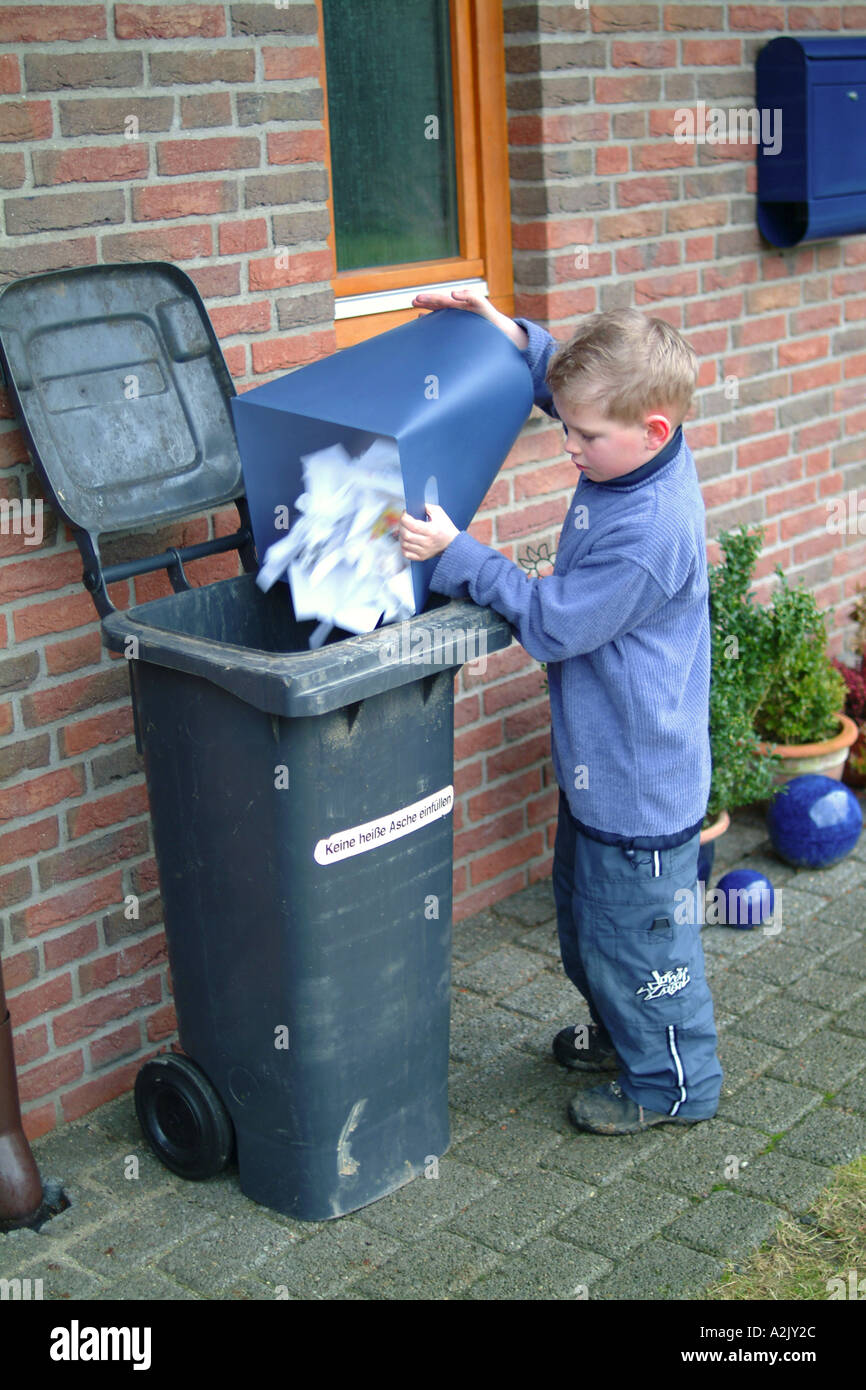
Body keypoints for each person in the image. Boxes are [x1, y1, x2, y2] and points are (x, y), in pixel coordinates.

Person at [398, 289, 722, 1135]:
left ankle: (675, 1083)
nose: (569, 447)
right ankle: (624, 1034)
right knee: (587, 929)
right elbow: (574, 388)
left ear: (653, 430)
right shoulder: (637, 444)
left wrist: (459, 556)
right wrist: (508, 331)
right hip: (600, 779)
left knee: (641, 948)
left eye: (583, 437)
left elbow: (550, 623)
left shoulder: (651, 530)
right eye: (565, 427)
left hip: (639, 792)